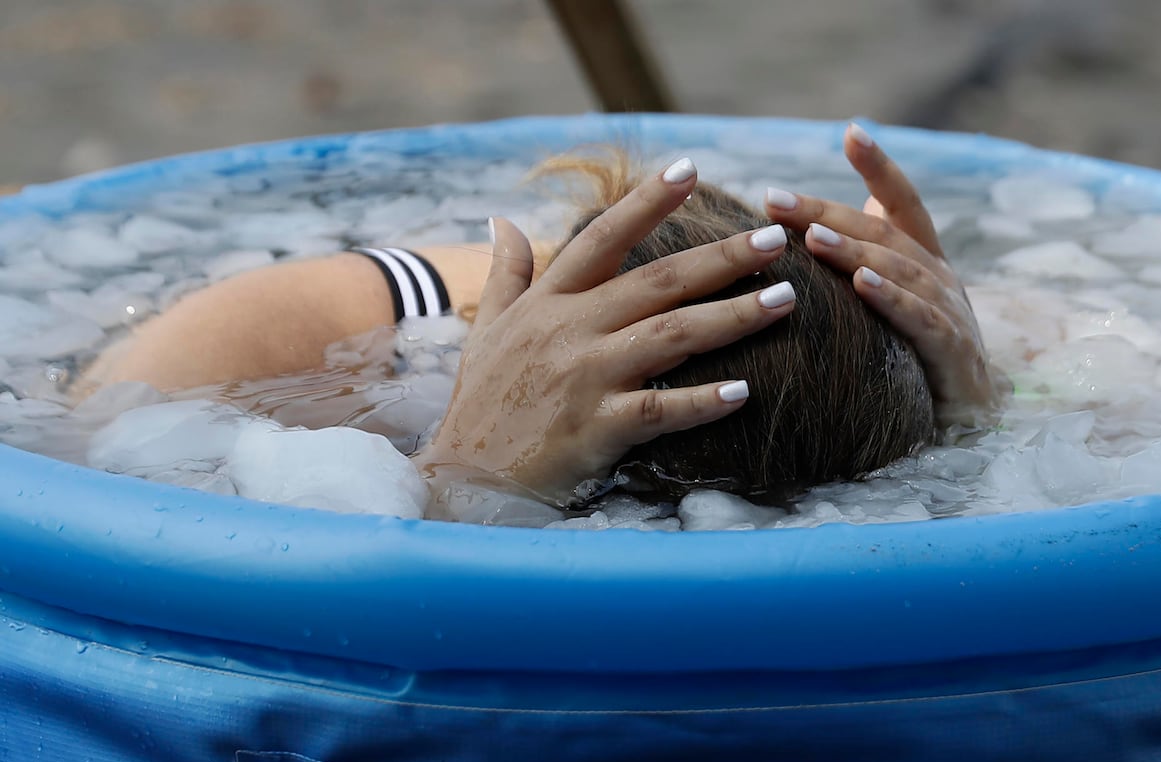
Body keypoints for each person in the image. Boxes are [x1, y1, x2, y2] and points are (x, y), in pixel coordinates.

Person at [83, 123, 1006, 511]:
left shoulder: (927, 337)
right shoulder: (263, 339)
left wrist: (979, 417)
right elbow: (76, 459)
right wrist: (463, 475)